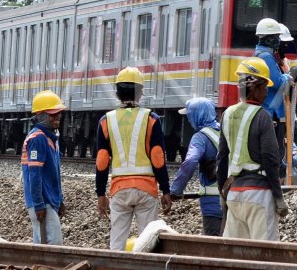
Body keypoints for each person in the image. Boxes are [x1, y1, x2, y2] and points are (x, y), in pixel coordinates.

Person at [95, 67, 171, 250]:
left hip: (119, 189)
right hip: (146, 189)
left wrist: (100, 194)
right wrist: (166, 189)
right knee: (147, 241)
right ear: (140, 92)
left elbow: (102, 161)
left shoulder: (106, 120)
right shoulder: (151, 118)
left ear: (117, 93)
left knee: (117, 241)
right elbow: (158, 158)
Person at [217, 57, 288, 240]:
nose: (266, 92)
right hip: (259, 196)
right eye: (264, 86)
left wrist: (222, 193)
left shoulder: (227, 114)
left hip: (234, 195)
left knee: (235, 254)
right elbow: (271, 160)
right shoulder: (262, 116)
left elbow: (222, 157)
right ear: (255, 87)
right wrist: (279, 197)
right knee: (266, 256)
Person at [254, 17, 297, 183]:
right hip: (276, 115)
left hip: (285, 113)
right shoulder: (265, 57)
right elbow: (278, 83)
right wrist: (289, 76)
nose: (283, 46)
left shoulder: (279, 60)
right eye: (280, 41)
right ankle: (280, 182)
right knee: (277, 153)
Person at [169, 97, 223, 236]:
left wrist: (175, 190)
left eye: (189, 116)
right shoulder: (225, 132)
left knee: (214, 248)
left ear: (196, 116)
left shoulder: (200, 138)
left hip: (212, 205)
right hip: (233, 200)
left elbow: (191, 161)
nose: (188, 120)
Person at [22, 90, 66, 245]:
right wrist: (39, 204)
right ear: (40, 115)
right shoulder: (38, 138)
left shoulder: (51, 137)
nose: (58, 117)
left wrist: (60, 199)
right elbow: (34, 175)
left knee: (43, 244)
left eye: (59, 113)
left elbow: (55, 173)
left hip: (49, 201)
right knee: (53, 246)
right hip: (42, 202)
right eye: (53, 114)